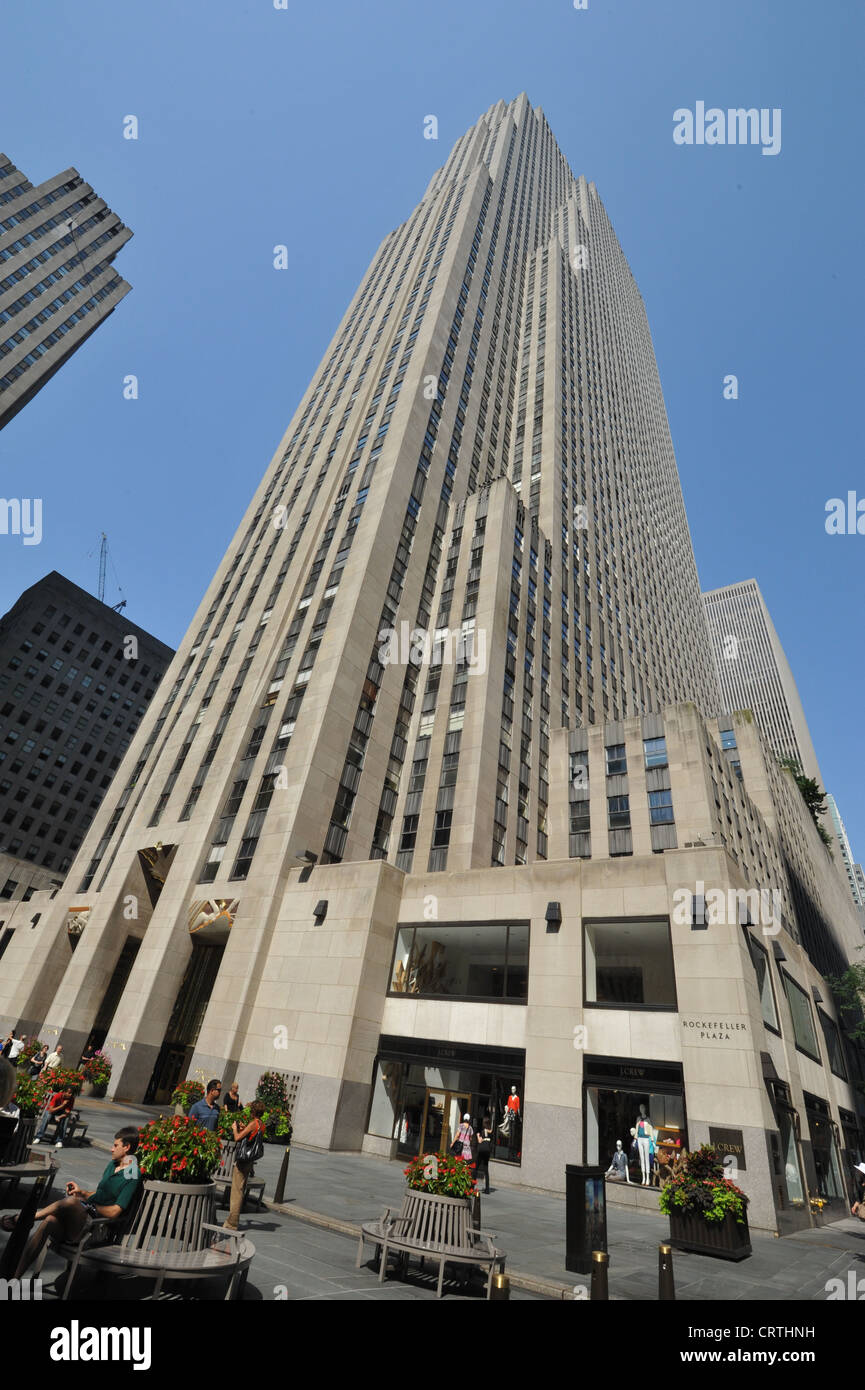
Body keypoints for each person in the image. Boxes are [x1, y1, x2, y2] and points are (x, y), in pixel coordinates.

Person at [1, 1126, 141, 1279]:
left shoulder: (132, 1175)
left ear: (127, 1147)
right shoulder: (112, 1165)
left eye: (115, 1145)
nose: (111, 1149)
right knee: (48, 1221)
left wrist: (90, 1207)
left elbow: (115, 1212)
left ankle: (24, 1219)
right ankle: (15, 1279)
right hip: (81, 1222)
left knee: (71, 1202)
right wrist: (83, 1193)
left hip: (98, 1229)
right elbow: (101, 1193)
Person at [223, 1100, 265, 1231]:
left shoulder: (253, 1123)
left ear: (253, 1111)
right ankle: (232, 1221)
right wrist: (243, 1128)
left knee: (237, 1191)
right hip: (250, 1161)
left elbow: (237, 1138)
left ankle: (232, 1223)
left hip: (242, 1161)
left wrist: (236, 1129)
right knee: (240, 1189)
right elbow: (250, 1137)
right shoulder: (261, 1125)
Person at [475, 1116, 492, 1194]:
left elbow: (480, 1141)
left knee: (476, 1167)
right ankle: (487, 1189)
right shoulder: (491, 1131)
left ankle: (472, 1185)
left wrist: (478, 1135)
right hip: (488, 1151)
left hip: (482, 1151)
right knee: (486, 1170)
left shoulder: (484, 1130)